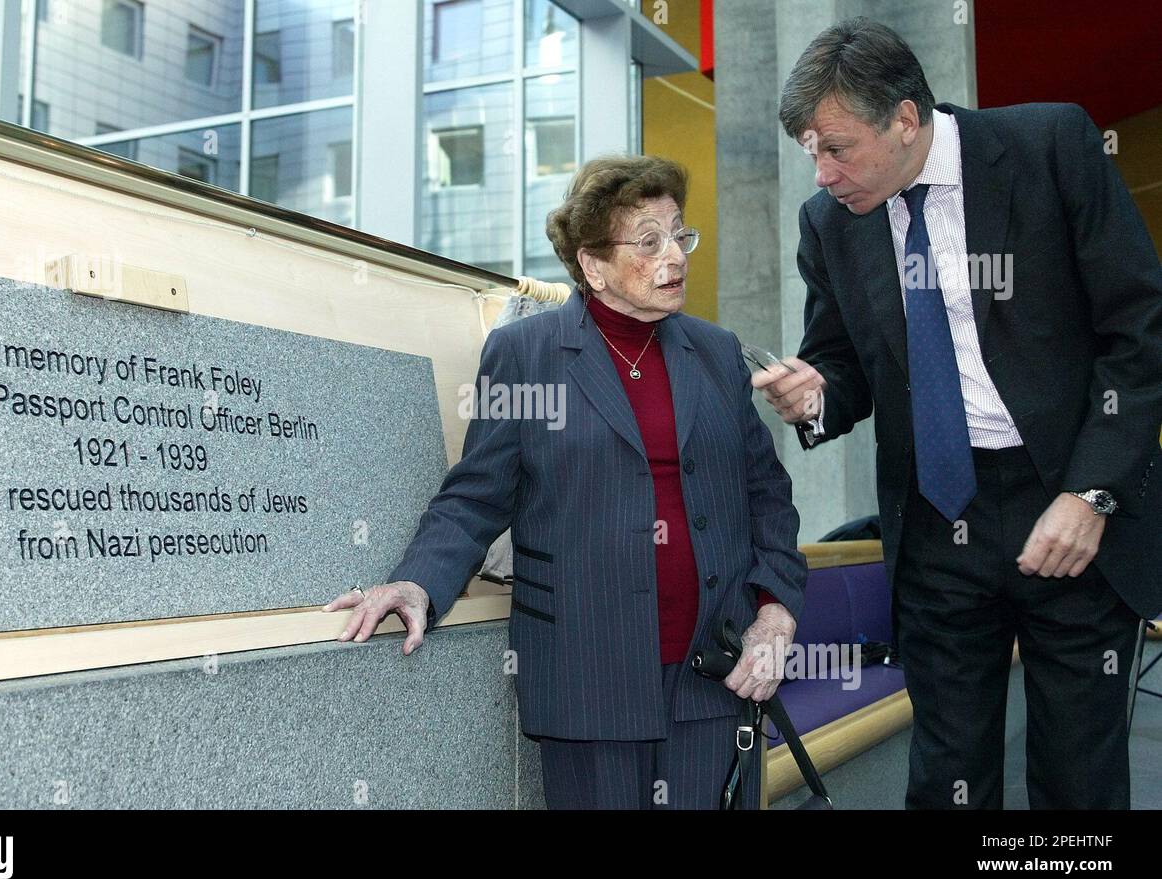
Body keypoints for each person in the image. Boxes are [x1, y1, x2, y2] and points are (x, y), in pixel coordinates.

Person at [754, 17, 1162, 809]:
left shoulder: (1051, 146)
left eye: (836, 148)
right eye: (809, 149)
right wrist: (816, 394)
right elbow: (841, 365)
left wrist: (1093, 493)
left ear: (905, 118)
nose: (821, 174)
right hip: (938, 521)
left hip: (1070, 502)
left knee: (1080, 779)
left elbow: (1139, 330)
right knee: (946, 779)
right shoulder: (830, 225)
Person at [325, 154, 806, 809]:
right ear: (593, 265)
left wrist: (774, 615)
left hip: (716, 674)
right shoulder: (527, 356)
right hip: (588, 682)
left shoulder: (716, 352)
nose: (676, 256)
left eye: (679, 234)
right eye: (649, 240)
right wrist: (417, 581)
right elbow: (476, 495)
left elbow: (767, 497)